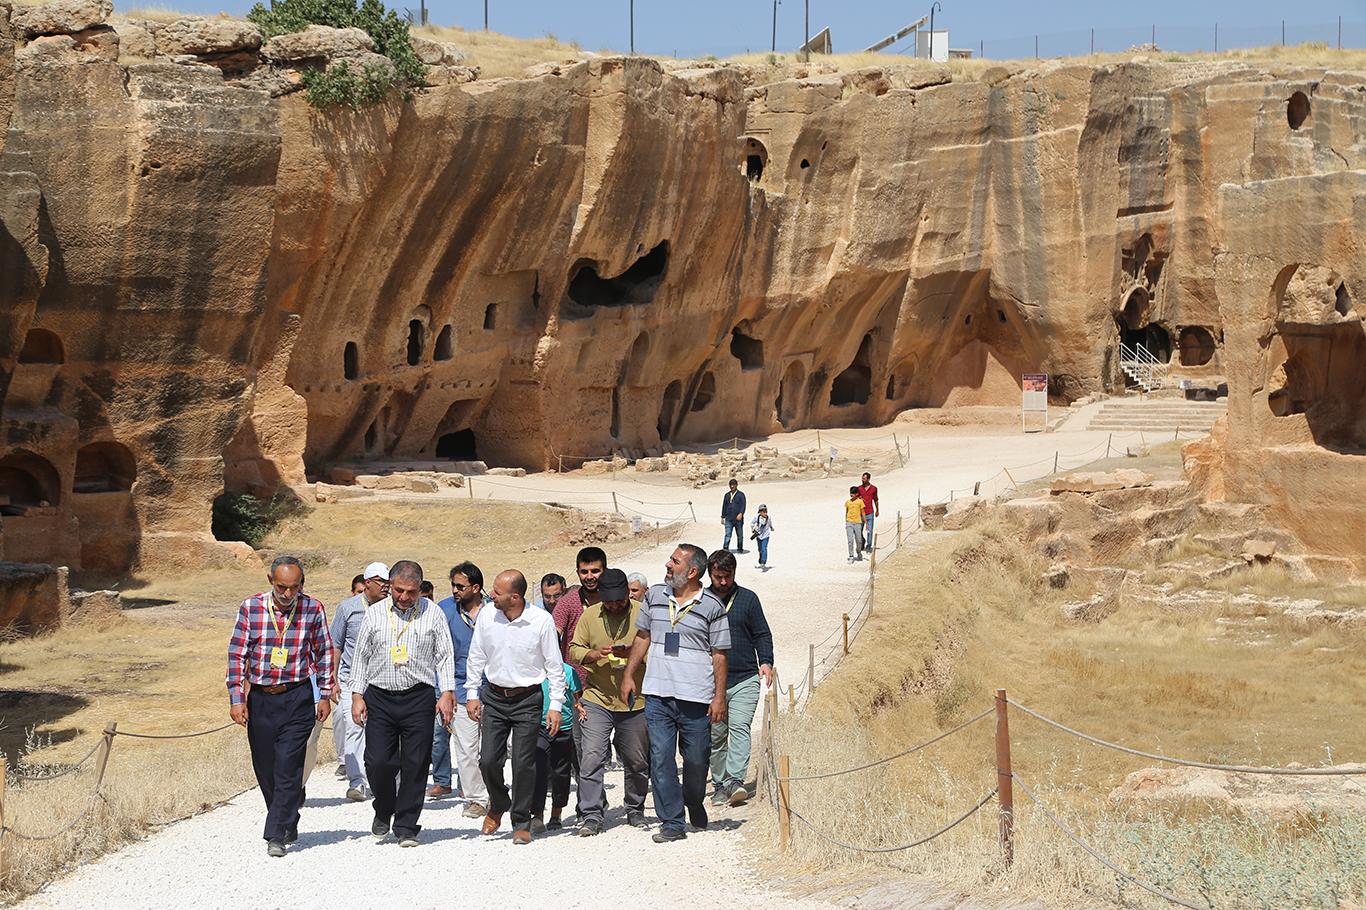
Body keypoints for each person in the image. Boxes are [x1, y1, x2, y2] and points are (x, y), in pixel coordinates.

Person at [226, 555, 334, 857]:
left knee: (288, 765)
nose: (288, 594)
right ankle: (287, 816)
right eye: (283, 587)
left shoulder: (312, 608)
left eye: (295, 588)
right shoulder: (251, 608)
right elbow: (237, 655)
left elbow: (323, 651)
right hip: (261, 698)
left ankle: (275, 834)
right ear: (271, 581)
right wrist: (237, 698)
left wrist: (324, 693)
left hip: (297, 697)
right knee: (266, 767)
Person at [622, 544, 729, 843]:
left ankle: (693, 800)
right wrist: (629, 674)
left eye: (675, 561)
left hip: (696, 697)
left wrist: (719, 696)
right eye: (670, 559)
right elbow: (642, 636)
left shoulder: (712, 606)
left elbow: (719, 654)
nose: (668, 565)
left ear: (692, 571)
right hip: (657, 693)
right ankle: (672, 821)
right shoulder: (655, 595)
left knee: (696, 759)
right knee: (661, 757)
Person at [350, 561, 456, 848]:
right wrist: (357, 695)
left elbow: (445, 655)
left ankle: (407, 825)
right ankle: (384, 808)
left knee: (416, 762)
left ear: (420, 589)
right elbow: (360, 656)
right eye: (399, 590)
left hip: (418, 696)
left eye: (411, 592)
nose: (404, 597)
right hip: (380, 697)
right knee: (378, 761)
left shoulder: (432, 613)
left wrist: (446, 692)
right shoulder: (374, 614)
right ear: (389, 586)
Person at [466, 569, 565, 845]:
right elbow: (476, 656)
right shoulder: (487, 615)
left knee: (524, 763)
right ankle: (499, 802)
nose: (491, 595)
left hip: (527, 699)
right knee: (487, 760)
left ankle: (520, 821)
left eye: (497, 592)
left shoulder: (541, 622)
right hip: (494, 697)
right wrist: (472, 693)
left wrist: (555, 704)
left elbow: (554, 666)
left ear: (515, 596)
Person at [568, 568, 650, 836]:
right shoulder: (590, 616)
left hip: (635, 700)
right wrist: (593, 654)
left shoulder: (643, 612)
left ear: (628, 593)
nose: (615, 604)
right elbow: (574, 650)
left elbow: (658, 649)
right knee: (591, 757)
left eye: (620, 599)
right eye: (610, 600)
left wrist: (634, 656)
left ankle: (635, 809)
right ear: (602, 597)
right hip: (597, 697)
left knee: (637, 760)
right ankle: (591, 813)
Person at [705, 550, 773, 807]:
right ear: (710, 574)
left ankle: (736, 780)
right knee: (716, 734)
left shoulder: (748, 599)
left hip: (744, 678)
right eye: (718, 576)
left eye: (728, 576)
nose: (723, 582)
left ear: (735, 573)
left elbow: (762, 634)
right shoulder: (701, 601)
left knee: (739, 728)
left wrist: (765, 661)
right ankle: (719, 784)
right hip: (710, 682)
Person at [431, 562, 492, 817]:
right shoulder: (443, 611)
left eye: (460, 586)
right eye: (453, 585)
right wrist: (441, 691)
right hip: (460, 688)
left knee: (493, 750)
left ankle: (496, 791)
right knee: (466, 748)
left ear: (476, 587)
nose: (455, 590)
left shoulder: (496, 610)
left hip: (496, 688)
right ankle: (477, 799)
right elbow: (436, 654)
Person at [330, 562, 389, 800]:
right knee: (353, 727)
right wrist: (332, 680)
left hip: (380, 679)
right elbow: (336, 644)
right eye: (381, 581)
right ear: (367, 583)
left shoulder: (391, 608)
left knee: (380, 730)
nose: (385, 586)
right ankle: (357, 782)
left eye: (388, 582)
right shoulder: (348, 608)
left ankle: (380, 778)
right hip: (350, 679)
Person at [530, 660, 581, 834]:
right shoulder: (534, 668)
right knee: (538, 767)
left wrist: (580, 707)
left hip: (563, 727)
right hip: (540, 726)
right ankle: (537, 814)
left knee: (561, 771)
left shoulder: (568, 671)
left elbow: (578, 695)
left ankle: (556, 814)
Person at [550, 547, 606, 680]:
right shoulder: (567, 602)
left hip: (609, 681)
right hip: (577, 684)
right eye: (584, 572)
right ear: (577, 572)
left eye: (595, 571)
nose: (589, 577)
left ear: (605, 570)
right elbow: (553, 634)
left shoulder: (613, 601)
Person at [721, 479, 747, 553]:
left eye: (733, 485)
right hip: (728, 518)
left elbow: (743, 505)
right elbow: (724, 506)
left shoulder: (741, 494)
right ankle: (725, 549)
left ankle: (740, 548)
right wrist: (722, 517)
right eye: (731, 485)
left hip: (738, 519)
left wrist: (741, 513)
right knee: (727, 535)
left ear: (736, 485)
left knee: (740, 535)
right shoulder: (727, 495)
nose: (732, 486)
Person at [859, 472, 879, 555]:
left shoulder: (874, 488)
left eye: (864, 478)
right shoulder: (859, 488)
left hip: (870, 513)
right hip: (860, 513)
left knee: (869, 531)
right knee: (858, 531)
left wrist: (877, 510)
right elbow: (854, 498)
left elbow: (876, 500)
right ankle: (862, 541)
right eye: (862, 478)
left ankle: (868, 546)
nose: (862, 480)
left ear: (868, 479)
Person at [845, 486, 866, 562]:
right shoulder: (848, 502)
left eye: (853, 493)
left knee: (859, 541)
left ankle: (859, 552)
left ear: (857, 494)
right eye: (851, 493)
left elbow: (863, 513)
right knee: (850, 540)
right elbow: (847, 512)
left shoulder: (860, 501)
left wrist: (866, 523)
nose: (851, 495)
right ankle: (851, 556)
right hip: (849, 522)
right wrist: (846, 522)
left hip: (858, 523)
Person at [750, 505, 774, 570]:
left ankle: (763, 562)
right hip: (759, 536)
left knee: (764, 549)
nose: (765, 513)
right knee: (760, 549)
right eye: (764, 511)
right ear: (760, 512)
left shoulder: (768, 518)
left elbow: (770, 523)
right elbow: (752, 523)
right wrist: (753, 529)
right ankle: (761, 560)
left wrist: (771, 528)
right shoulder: (756, 517)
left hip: (766, 536)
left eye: (766, 511)